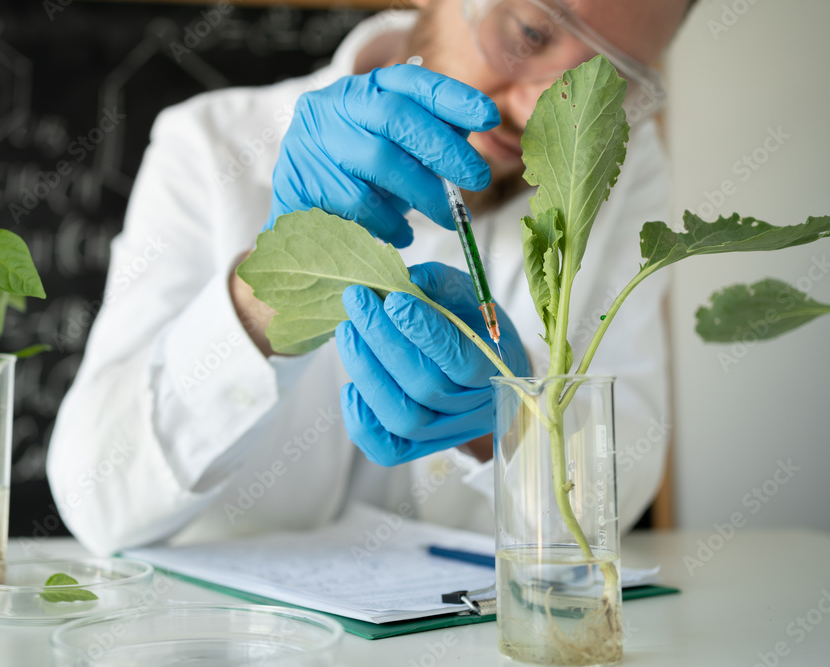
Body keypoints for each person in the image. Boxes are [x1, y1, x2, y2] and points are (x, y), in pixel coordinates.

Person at [47, 0, 694, 554]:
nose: (536, 106)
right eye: (530, 33)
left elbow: (616, 495)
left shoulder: (620, 171)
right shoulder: (212, 145)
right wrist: (276, 287)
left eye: (606, 78)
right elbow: (95, 495)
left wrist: (506, 423)